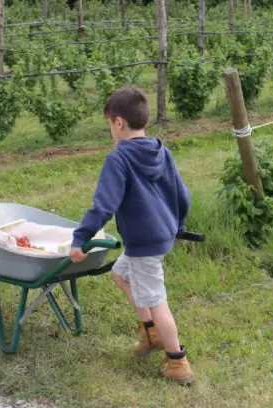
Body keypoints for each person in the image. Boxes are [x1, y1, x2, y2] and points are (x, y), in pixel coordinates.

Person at [69, 86, 194, 385]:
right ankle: (150, 332)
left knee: (157, 299)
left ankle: (177, 362)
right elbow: (182, 195)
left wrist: (79, 240)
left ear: (119, 122)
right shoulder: (161, 151)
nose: (110, 130)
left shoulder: (118, 159)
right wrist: (178, 227)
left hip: (144, 243)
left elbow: (104, 206)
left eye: (109, 124)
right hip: (158, 235)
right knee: (120, 272)